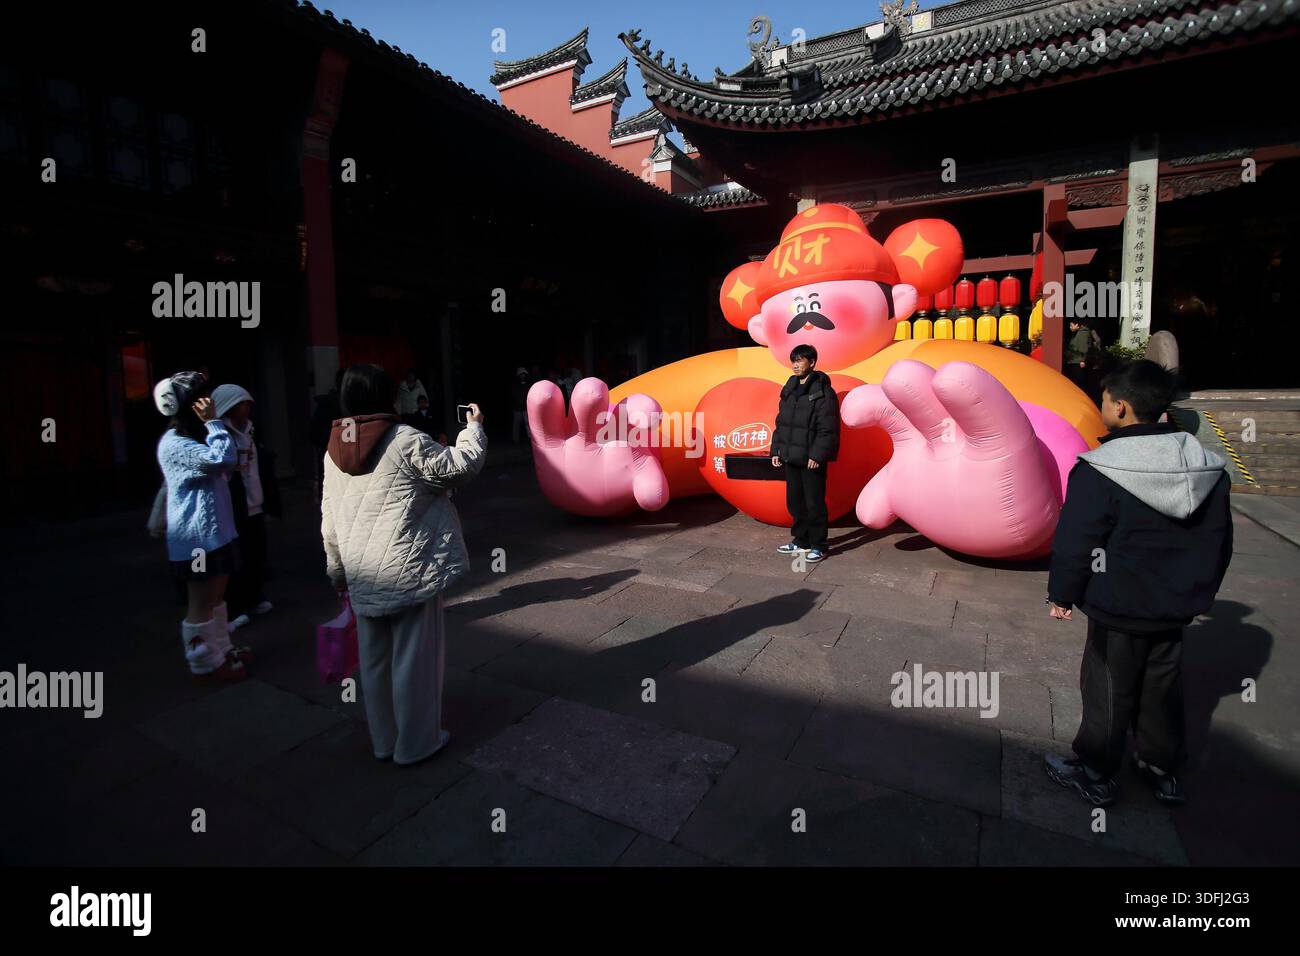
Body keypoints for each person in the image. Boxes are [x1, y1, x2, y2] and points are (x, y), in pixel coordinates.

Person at [1043, 360, 1232, 807]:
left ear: (1121, 407)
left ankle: (1095, 770)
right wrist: (1199, 593)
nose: (1103, 404)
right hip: (1175, 606)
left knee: (1108, 686)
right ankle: (1161, 767)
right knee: (1162, 687)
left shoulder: (1101, 468)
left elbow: (1078, 539)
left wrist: (1063, 594)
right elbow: (1219, 542)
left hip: (1118, 603)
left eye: (1106, 398)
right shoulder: (1206, 466)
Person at [321, 364, 487, 765]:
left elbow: (328, 516)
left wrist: (337, 570)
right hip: (407, 567)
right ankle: (416, 743)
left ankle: (384, 741)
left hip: (361, 571)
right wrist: (473, 428)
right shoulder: (403, 439)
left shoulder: (334, 449)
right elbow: (460, 467)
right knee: (415, 660)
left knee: (374, 663)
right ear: (386, 398)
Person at [153, 371, 248, 681]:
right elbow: (222, 459)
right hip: (196, 540)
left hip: (215, 533)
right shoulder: (175, 443)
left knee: (218, 600)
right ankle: (204, 662)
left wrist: (212, 426)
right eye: (202, 398)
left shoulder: (194, 437)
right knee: (201, 604)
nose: (211, 403)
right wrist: (214, 424)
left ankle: (221, 650)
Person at [212, 384, 281, 632]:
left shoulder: (252, 430)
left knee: (256, 555)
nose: (248, 407)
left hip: (255, 502)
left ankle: (254, 598)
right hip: (232, 506)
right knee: (234, 559)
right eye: (243, 403)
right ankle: (234, 607)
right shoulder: (218, 433)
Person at [770, 344, 840, 563]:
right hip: (791, 456)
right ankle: (801, 541)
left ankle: (819, 545)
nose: (796, 364)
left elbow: (828, 427)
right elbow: (781, 423)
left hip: (811, 459)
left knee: (814, 503)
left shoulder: (823, 391)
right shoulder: (789, 388)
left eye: (800, 360)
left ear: (812, 363)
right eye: (794, 360)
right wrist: (776, 449)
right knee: (795, 502)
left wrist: (817, 455)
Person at [510, 367, 530, 443]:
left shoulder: (528, 384)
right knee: (516, 424)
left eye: (523, 374)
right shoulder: (515, 384)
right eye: (521, 374)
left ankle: (530, 438)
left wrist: (524, 400)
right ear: (519, 375)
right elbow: (513, 394)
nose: (522, 376)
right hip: (517, 407)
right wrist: (518, 400)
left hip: (526, 407)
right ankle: (515, 439)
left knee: (527, 423)